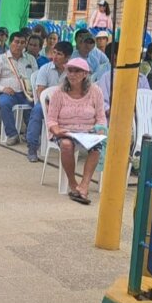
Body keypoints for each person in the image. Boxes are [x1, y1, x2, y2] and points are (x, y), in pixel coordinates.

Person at [45, 57, 107, 205]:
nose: (72, 74)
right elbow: (51, 120)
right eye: (70, 71)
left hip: (88, 131)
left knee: (97, 146)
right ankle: (73, 184)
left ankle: (84, 184)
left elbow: (101, 118)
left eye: (77, 71)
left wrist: (100, 131)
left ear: (85, 74)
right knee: (66, 145)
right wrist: (58, 131)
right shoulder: (59, 92)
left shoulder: (95, 91)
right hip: (65, 130)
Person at [0, 29, 38, 145]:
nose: (19, 45)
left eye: (22, 42)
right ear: (10, 43)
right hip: (8, 93)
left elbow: (36, 76)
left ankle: (30, 135)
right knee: (4, 104)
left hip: (27, 93)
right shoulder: (0, 59)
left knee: (37, 107)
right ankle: (12, 134)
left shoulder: (30, 59)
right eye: (16, 42)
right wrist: (2, 88)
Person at [27, 41, 72, 161]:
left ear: (67, 57)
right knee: (36, 111)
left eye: (59, 54)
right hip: (46, 103)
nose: (55, 57)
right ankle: (32, 147)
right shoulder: (45, 69)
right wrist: (49, 104)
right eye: (54, 52)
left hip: (67, 105)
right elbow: (41, 91)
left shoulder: (73, 71)